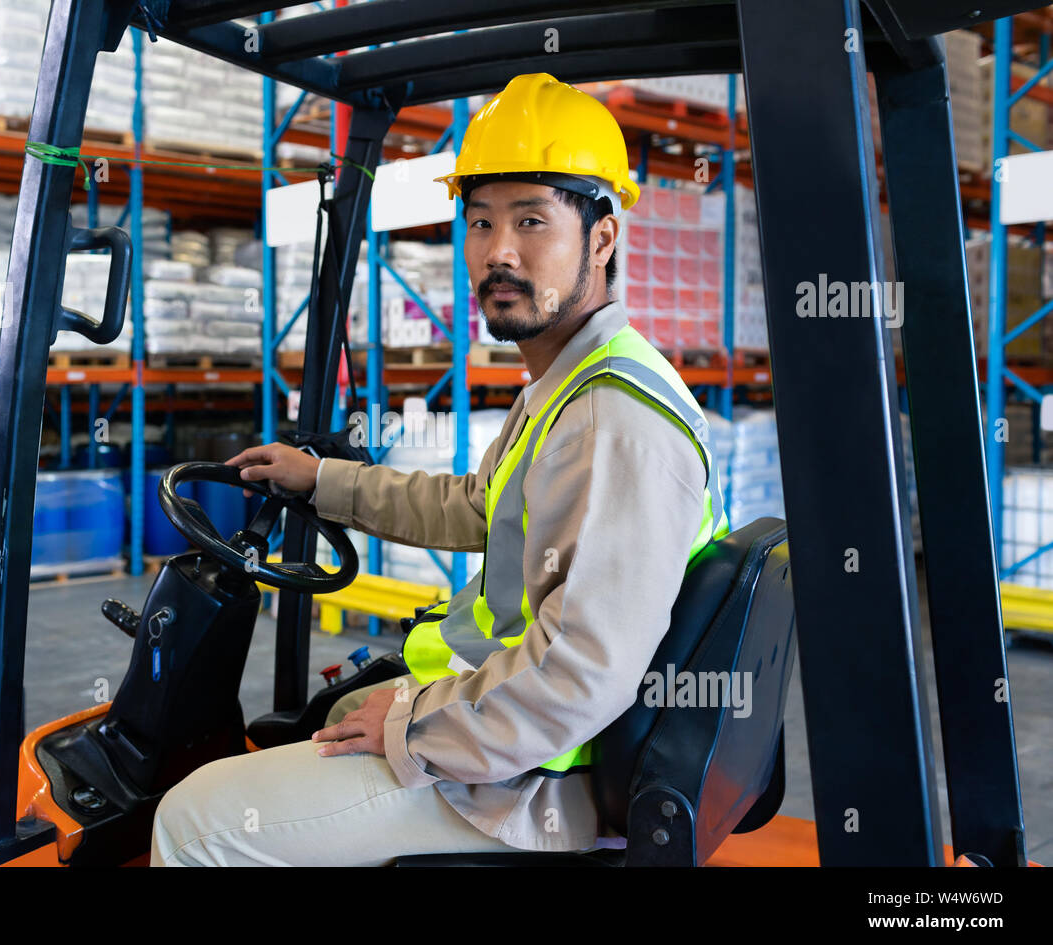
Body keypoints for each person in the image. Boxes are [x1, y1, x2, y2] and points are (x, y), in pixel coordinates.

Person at [150, 73, 728, 867]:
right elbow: (477, 507)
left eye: (532, 221)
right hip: (519, 738)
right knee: (327, 707)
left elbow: (582, 669)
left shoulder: (612, 417)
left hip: (535, 780)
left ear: (602, 237)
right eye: (481, 221)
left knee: (195, 821)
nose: (499, 251)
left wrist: (412, 725)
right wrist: (321, 481)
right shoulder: (573, 383)